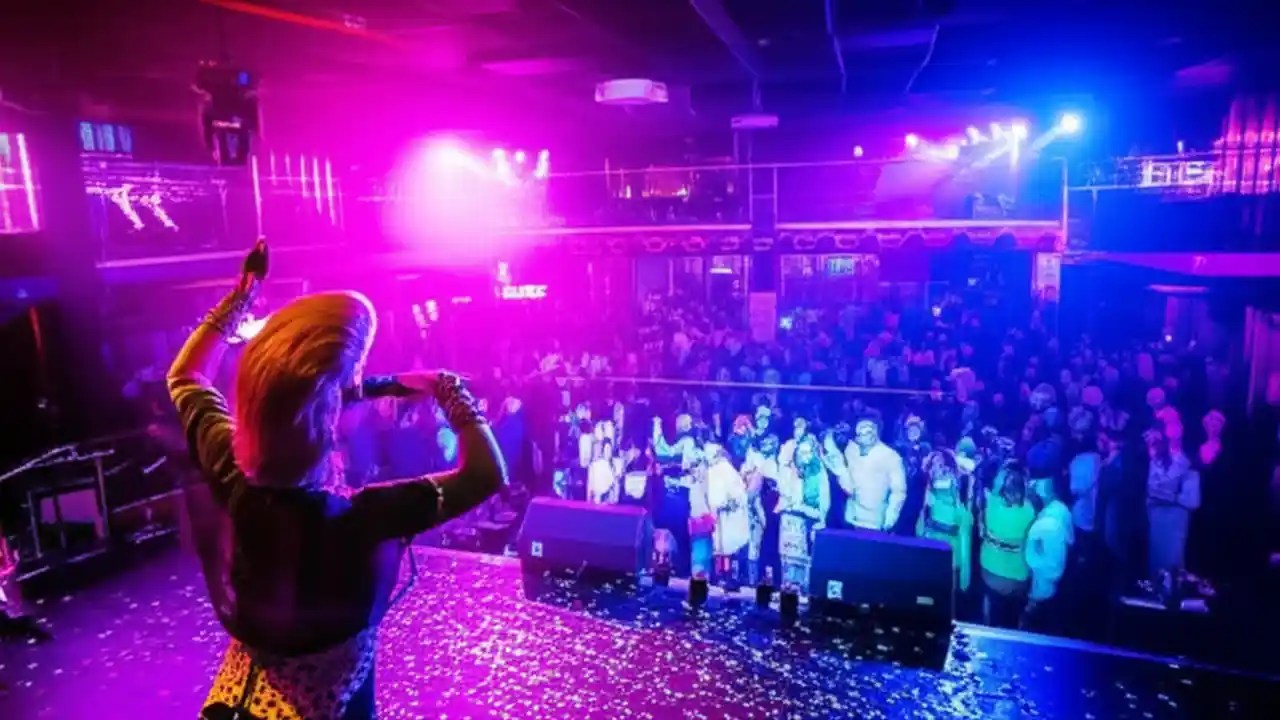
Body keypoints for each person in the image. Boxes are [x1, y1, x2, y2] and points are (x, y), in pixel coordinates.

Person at [168, 241, 506, 720]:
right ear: (329, 422)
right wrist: (448, 388)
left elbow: (186, 377)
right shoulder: (360, 518)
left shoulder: (232, 475)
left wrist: (242, 295)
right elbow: (486, 472)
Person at [979, 461, 1036, 628]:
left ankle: (987, 627)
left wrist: (1004, 472)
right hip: (1017, 575)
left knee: (991, 606)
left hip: (990, 571)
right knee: (1012, 615)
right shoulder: (1029, 510)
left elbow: (995, 489)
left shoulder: (992, 505)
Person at [777, 435, 830, 594]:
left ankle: (804, 590)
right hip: (791, 520)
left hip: (810, 520)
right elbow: (784, 493)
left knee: (806, 559)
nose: (804, 456)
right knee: (789, 558)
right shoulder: (789, 470)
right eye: (801, 452)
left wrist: (821, 517)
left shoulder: (819, 472)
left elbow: (824, 499)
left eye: (808, 452)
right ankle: (787, 588)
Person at [1145, 429, 1199, 580]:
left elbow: (1193, 501)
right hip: (1156, 521)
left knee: (1172, 565)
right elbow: (1148, 494)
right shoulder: (1154, 464)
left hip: (1176, 523)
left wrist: (1169, 496)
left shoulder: (1188, 467)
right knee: (1156, 564)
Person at [1024, 474, 1075, 633]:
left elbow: (1030, 559)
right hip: (1058, 586)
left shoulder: (1042, 525)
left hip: (1041, 588)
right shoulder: (1063, 509)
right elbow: (1071, 541)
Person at [916, 450, 973, 593]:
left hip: (951, 550)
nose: (938, 469)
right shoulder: (927, 495)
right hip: (930, 548)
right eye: (933, 465)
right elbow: (920, 528)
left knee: (947, 591)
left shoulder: (959, 505)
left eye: (942, 465)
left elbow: (964, 538)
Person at [841, 418, 907, 532]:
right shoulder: (851, 451)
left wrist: (890, 518)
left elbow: (898, 491)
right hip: (852, 518)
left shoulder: (890, 456)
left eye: (867, 432)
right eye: (859, 434)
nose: (862, 436)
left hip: (876, 522)